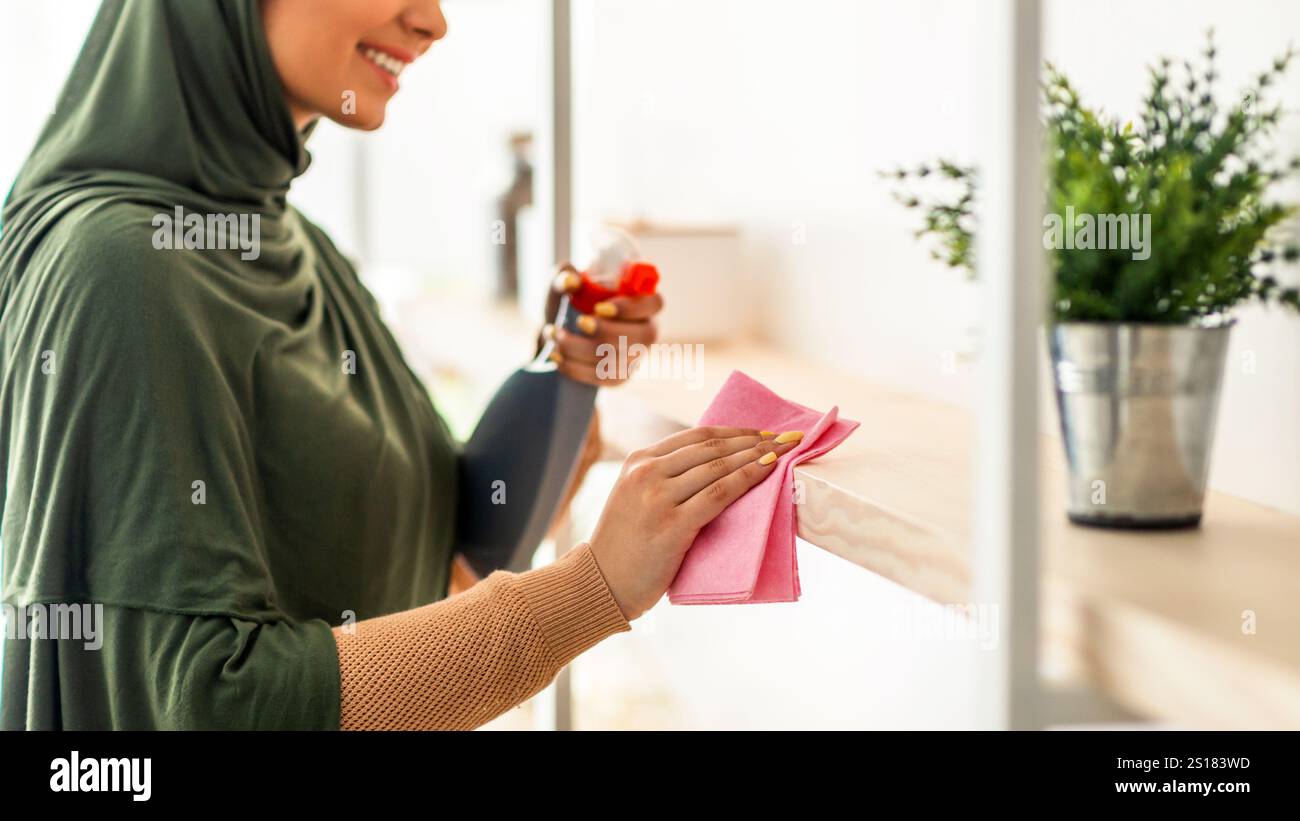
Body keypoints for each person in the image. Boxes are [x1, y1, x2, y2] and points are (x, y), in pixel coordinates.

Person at [0, 0, 800, 730]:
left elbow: (450, 553)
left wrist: (566, 370)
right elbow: (214, 704)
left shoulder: (290, 244)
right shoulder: (123, 272)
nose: (432, 21)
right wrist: (598, 587)